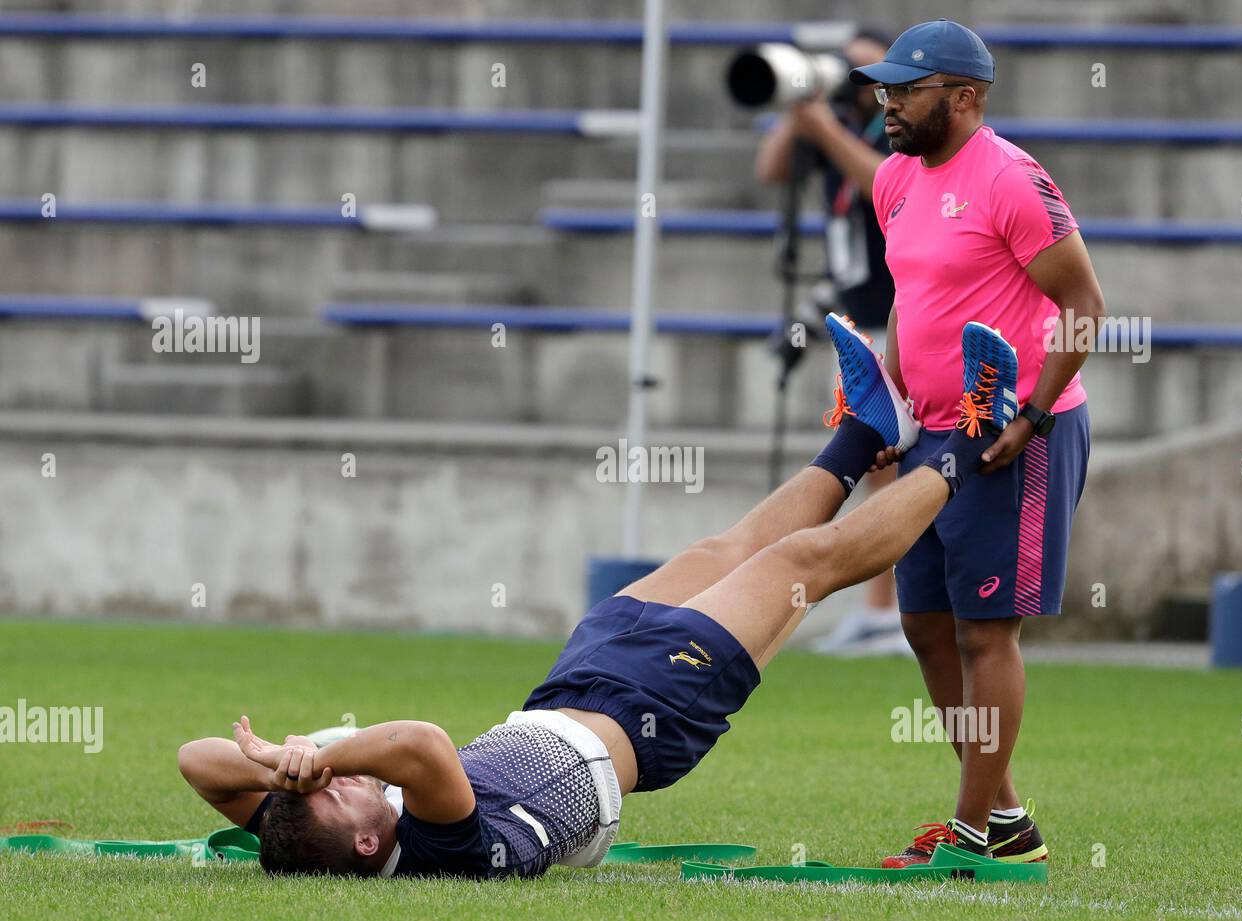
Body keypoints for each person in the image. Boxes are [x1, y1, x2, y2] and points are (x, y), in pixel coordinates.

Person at [177, 315, 1020, 878]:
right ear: (368, 842)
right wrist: (325, 757)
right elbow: (422, 744)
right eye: (332, 792)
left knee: (721, 550)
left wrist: (283, 770)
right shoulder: (439, 848)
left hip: (571, 689)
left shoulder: (328, 828)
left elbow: (197, 760)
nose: (327, 782)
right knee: (803, 562)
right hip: (653, 711)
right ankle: (971, 438)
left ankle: (867, 430)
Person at [848, 19, 1106, 866]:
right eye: (883, 88)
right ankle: (1005, 823)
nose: (887, 103)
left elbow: (1085, 306)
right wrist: (890, 403)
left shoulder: (1011, 180)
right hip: (932, 433)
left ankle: (968, 837)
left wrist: (1032, 416)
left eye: (905, 89)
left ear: (964, 97)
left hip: (1011, 435)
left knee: (986, 633)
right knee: (925, 623)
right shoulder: (894, 178)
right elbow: (908, 298)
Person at [755, 25, 908, 654]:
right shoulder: (831, 128)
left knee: (891, 466)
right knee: (871, 464)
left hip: (899, 317)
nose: (855, 82)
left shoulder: (894, 132)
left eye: (867, 71)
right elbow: (770, 171)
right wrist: (798, 112)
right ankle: (882, 609)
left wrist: (823, 129)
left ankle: (891, 611)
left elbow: (881, 185)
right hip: (857, 317)